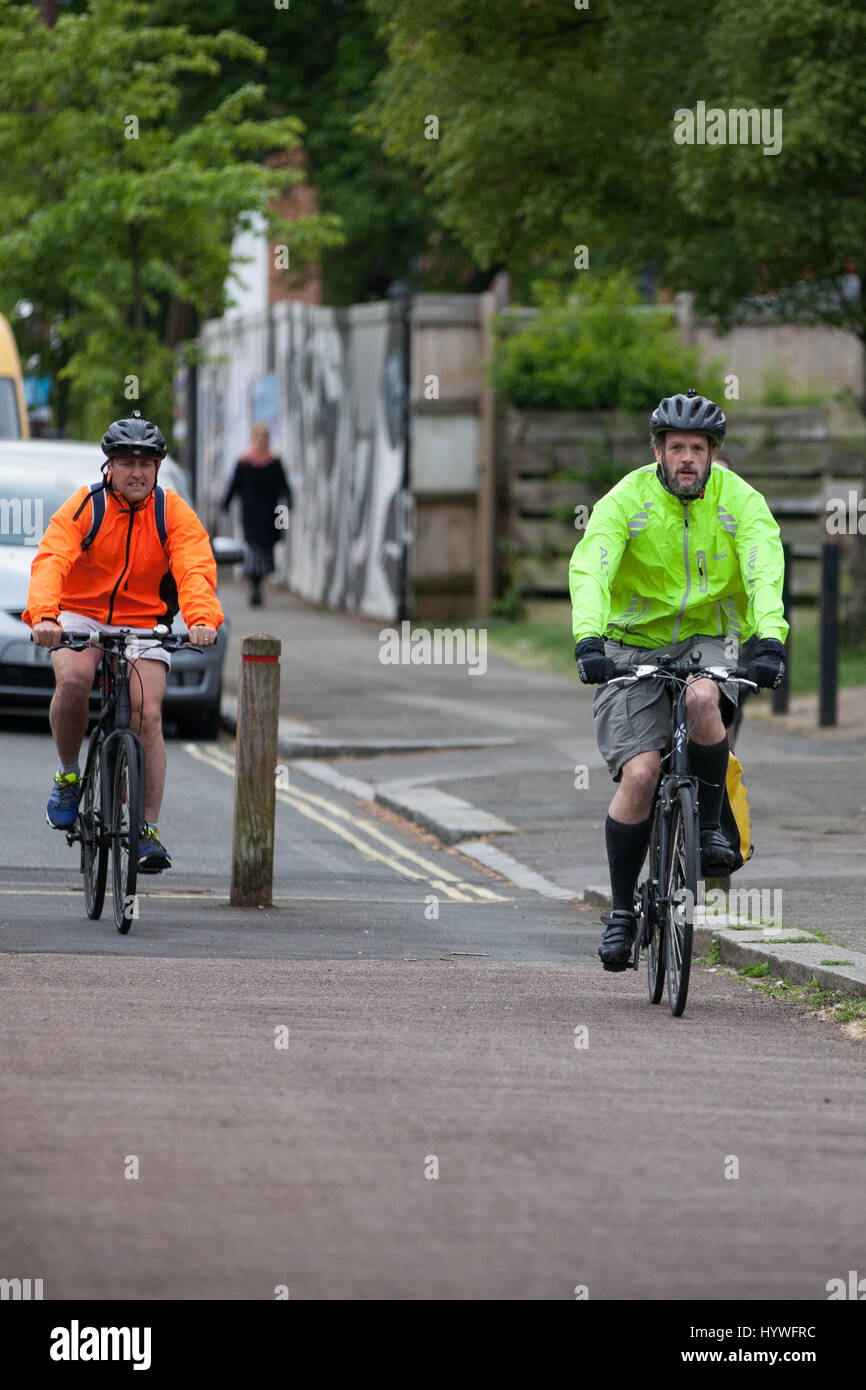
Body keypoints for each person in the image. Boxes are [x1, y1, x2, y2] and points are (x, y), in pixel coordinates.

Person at [569, 389, 787, 972]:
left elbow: (764, 566)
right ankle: (621, 913)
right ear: (658, 452)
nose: (687, 458)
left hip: (712, 642)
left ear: (713, 454)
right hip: (631, 645)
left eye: (698, 448)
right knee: (640, 771)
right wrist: (588, 638)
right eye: (676, 448)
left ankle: (711, 827)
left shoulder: (740, 501)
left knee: (702, 698)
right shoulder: (627, 500)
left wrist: (770, 639)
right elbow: (593, 564)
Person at [23, 410, 223, 872]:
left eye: (146, 463)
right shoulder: (86, 505)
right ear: (109, 466)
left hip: (145, 620)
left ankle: (147, 831)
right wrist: (46, 616)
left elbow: (194, 568)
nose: (137, 471)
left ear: (157, 469)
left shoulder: (171, 512)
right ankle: (70, 775)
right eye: (127, 462)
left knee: (146, 713)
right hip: (81, 613)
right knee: (73, 681)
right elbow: (52, 559)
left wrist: (201, 619)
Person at [221, 424, 292, 607]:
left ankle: (258, 585)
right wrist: (226, 503)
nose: (261, 441)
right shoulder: (244, 463)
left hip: (270, 515)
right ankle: (255, 588)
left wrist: (287, 505)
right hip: (250, 515)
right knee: (253, 551)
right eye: (258, 437)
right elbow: (234, 486)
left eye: (264, 437)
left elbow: (284, 487)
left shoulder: (275, 463)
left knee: (265, 550)